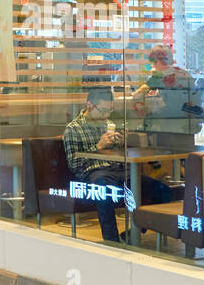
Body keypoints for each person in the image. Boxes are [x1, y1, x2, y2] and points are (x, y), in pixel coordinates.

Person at [63, 87, 171, 242]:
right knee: (104, 187)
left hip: (119, 172)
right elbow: (74, 164)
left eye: (109, 111)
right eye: (102, 110)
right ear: (89, 105)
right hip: (94, 175)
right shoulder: (73, 129)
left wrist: (122, 144)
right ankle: (111, 241)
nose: (106, 115)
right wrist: (98, 147)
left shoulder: (109, 124)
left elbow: (121, 156)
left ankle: (135, 231)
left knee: (163, 191)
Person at [131, 45, 197, 148]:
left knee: (167, 157)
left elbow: (140, 93)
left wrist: (133, 95)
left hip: (169, 126)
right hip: (187, 123)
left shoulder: (161, 74)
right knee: (185, 157)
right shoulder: (184, 73)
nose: (153, 66)